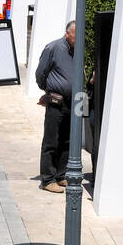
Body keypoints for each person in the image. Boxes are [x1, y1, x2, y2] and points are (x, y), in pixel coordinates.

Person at [35, 21, 76, 194]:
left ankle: (61, 174)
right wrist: (47, 90)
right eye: (76, 34)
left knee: (66, 140)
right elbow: (40, 73)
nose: (79, 38)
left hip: (72, 101)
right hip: (55, 100)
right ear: (67, 34)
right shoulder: (53, 48)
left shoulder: (78, 50)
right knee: (51, 140)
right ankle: (48, 179)